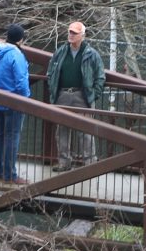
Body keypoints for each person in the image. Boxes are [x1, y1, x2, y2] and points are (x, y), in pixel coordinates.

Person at [45, 20, 106, 168]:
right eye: (70, 32)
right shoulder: (60, 52)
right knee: (62, 130)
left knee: (85, 130)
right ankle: (64, 162)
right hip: (63, 95)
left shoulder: (92, 54)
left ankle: (89, 163)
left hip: (82, 96)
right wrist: (54, 89)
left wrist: (93, 94)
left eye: (75, 33)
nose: (71, 35)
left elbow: (100, 76)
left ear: (82, 36)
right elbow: (50, 73)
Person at [0, 24, 31, 185]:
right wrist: (25, 98)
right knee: (12, 137)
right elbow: (21, 81)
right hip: (14, 100)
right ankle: (10, 175)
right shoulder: (16, 55)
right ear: (20, 40)